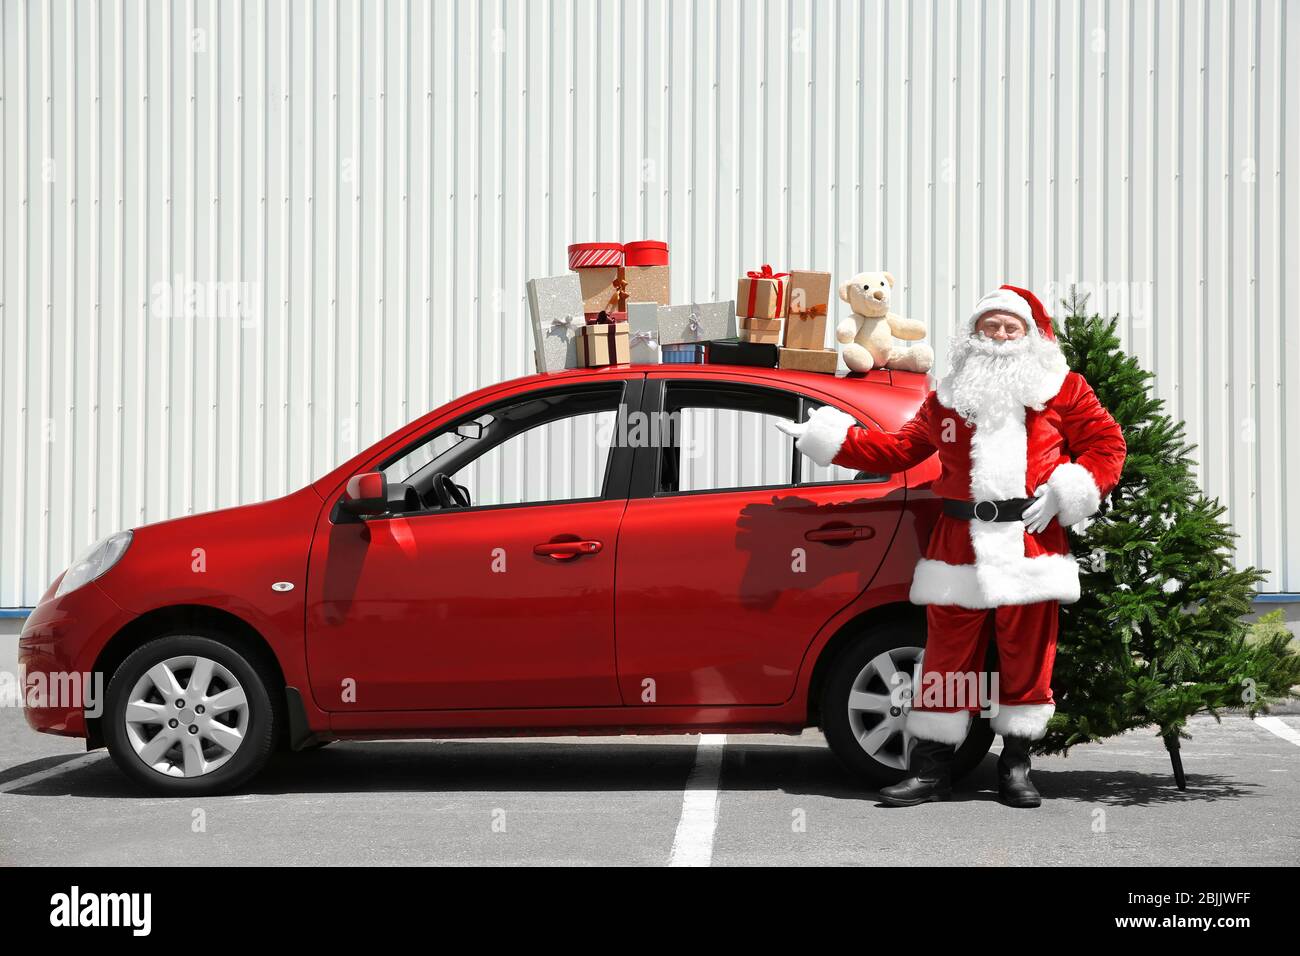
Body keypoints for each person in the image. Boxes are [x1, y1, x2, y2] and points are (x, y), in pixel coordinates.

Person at [776, 285, 1126, 808]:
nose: (1001, 336)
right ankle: (931, 770)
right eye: (992, 326)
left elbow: (1107, 444)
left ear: (1031, 336)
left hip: (1030, 540)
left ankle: (1015, 766)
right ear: (975, 332)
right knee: (945, 661)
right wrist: (834, 440)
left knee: (1027, 658)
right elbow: (901, 447)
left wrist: (1068, 490)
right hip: (958, 543)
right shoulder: (949, 396)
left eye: (1012, 328)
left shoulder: (1064, 388)